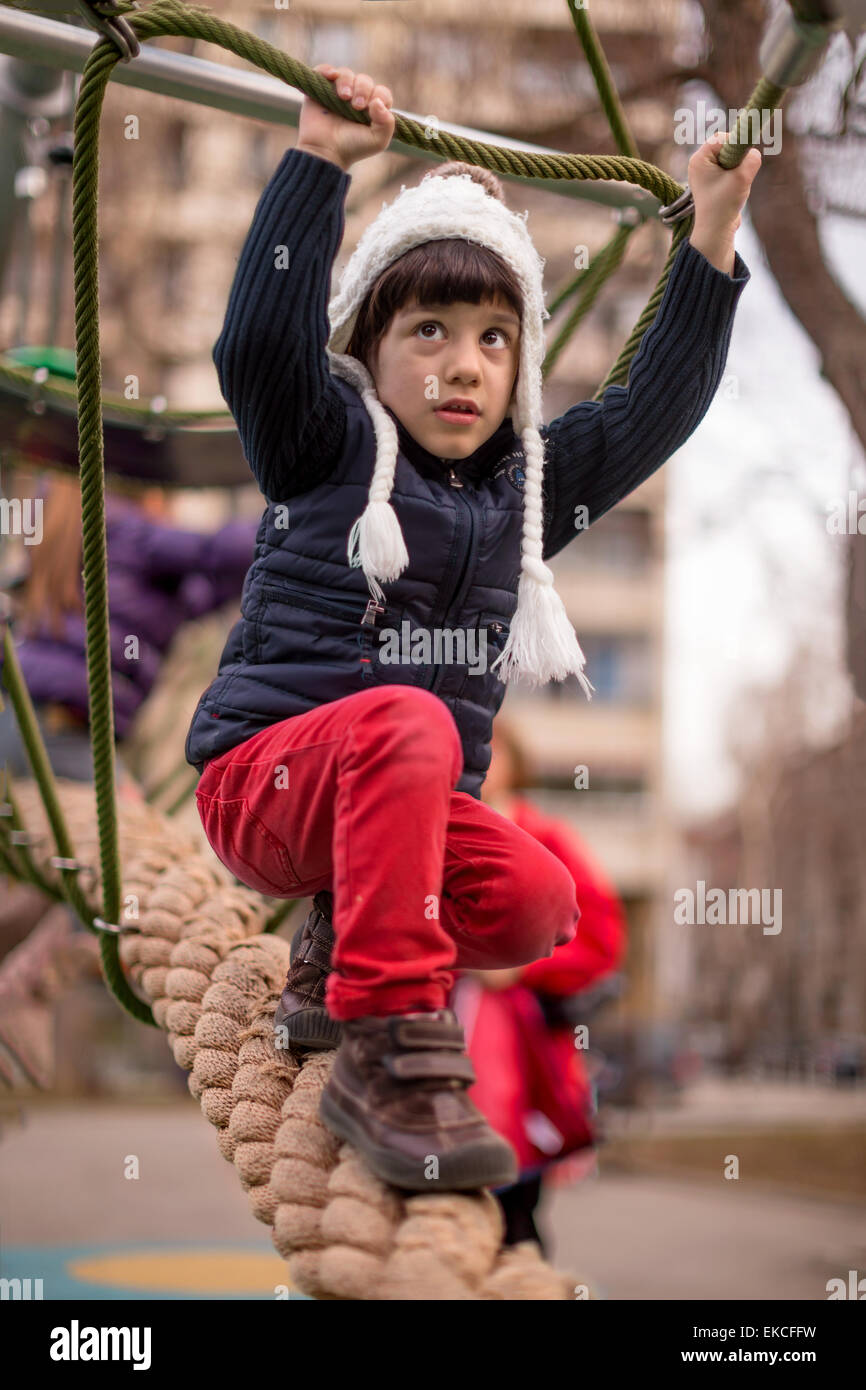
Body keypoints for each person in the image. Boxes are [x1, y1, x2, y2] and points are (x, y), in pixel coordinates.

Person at [186, 64, 759, 1194]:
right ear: (368, 343)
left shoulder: (525, 495)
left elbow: (650, 409)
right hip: (265, 787)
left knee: (534, 898)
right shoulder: (325, 440)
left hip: (397, 812)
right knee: (407, 724)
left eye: (495, 339)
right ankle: (388, 1054)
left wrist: (716, 227)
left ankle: (339, 946)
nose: (462, 363)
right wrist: (317, 161)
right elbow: (257, 345)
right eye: (432, 329)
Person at [450, 716, 626, 1253]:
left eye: (493, 747)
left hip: (517, 1066)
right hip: (433, 1054)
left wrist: (523, 967)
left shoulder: (545, 838)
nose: (480, 758)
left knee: (514, 1229)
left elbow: (599, 938)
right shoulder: (434, 831)